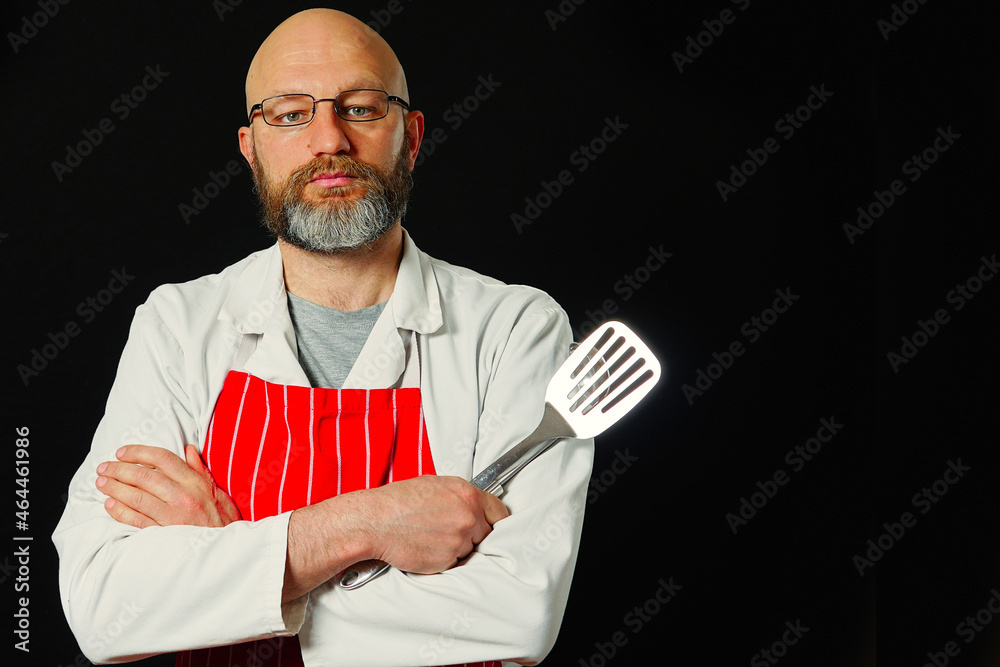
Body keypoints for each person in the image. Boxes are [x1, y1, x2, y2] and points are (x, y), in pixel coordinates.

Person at [52, 8, 593, 667]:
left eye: (361, 108)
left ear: (411, 136)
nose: (328, 140)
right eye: (289, 114)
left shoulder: (513, 329)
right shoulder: (179, 325)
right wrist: (364, 524)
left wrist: (235, 570)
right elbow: (104, 607)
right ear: (251, 148)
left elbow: (516, 612)